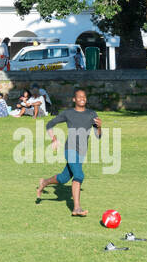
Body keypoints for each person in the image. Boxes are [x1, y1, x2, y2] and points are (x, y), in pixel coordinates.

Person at [35, 88, 102, 217]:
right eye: (79, 96)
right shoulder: (68, 113)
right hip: (70, 149)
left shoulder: (92, 114)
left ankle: (44, 182)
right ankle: (76, 208)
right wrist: (53, 138)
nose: (82, 98)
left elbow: (98, 136)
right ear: (74, 99)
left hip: (82, 152)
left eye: (84, 96)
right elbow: (50, 124)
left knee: (64, 178)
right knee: (79, 175)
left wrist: (99, 127)